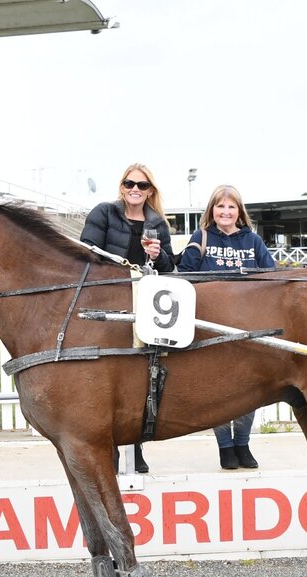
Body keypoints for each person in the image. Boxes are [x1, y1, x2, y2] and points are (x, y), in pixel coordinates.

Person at [79, 163, 175, 473]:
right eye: (130, 183)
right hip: (109, 301)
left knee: (143, 371)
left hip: (145, 302)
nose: (136, 189)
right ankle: (112, 447)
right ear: (122, 187)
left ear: (150, 191)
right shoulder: (104, 212)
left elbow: (169, 268)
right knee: (107, 375)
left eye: (142, 185)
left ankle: (135, 444)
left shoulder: (157, 224)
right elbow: (85, 252)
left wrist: (158, 255)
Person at [179, 184, 276, 470]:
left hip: (248, 324)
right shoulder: (202, 237)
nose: (225, 211)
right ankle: (225, 447)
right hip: (212, 324)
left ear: (239, 212)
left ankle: (243, 443)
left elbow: (271, 277)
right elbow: (185, 275)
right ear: (212, 210)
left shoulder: (253, 241)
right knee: (219, 388)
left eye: (231, 206)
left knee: (249, 388)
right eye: (220, 206)